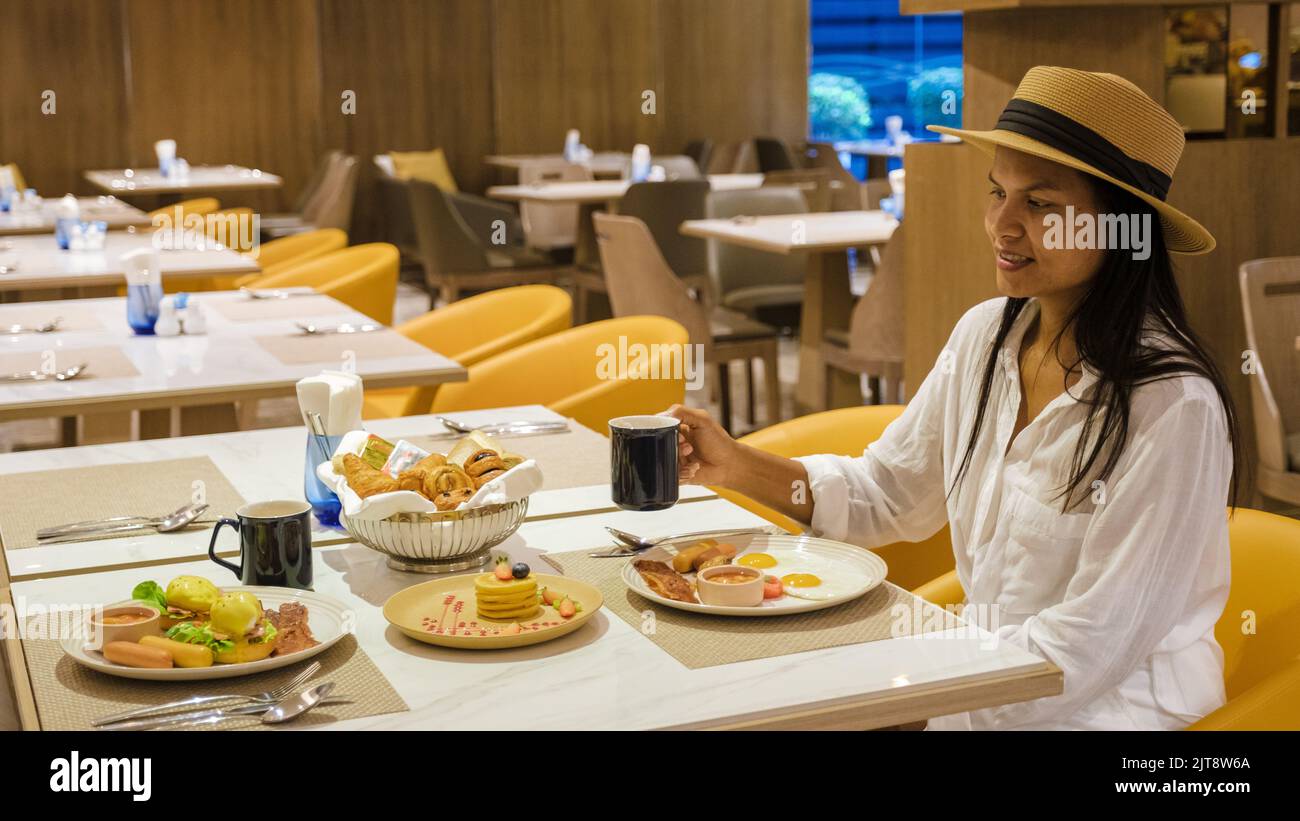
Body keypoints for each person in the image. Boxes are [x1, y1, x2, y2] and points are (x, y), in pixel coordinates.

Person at [668, 66, 1239, 730]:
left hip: (1117, 716)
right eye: (998, 192)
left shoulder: (1171, 405)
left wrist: (903, 691)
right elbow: (888, 491)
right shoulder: (987, 337)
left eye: (1041, 203)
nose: (1003, 223)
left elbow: (1088, 645)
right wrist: (735, 465)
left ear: (1119, 227)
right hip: (979, 683)